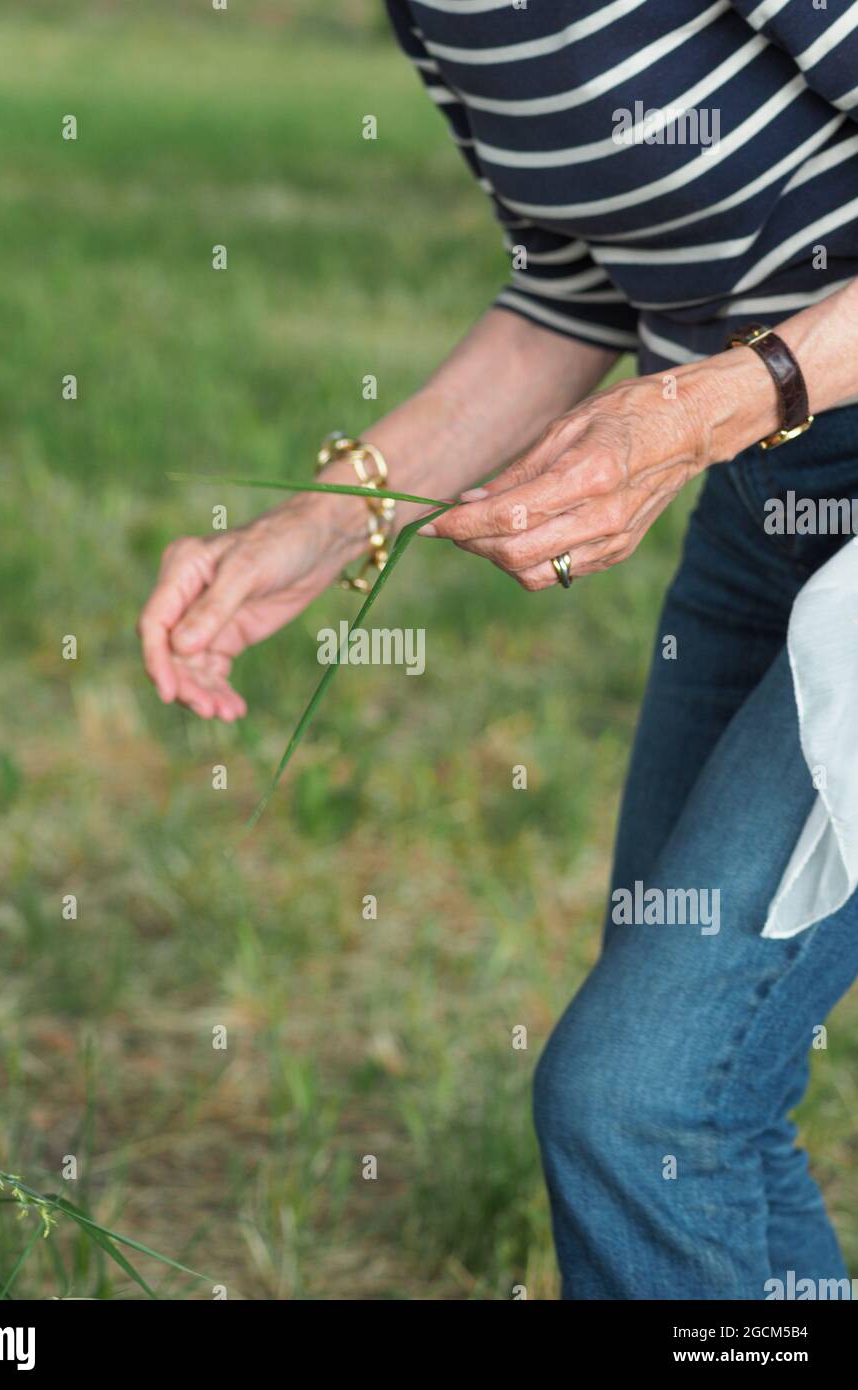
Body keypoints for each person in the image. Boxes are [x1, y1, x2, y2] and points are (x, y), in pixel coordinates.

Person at [140, 1, 858, 1297]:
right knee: (702, 1111)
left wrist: (704, 404)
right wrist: (313, 531)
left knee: (637, 1103)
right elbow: (571, 287)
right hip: (761, 499)